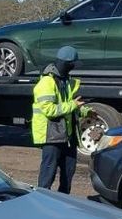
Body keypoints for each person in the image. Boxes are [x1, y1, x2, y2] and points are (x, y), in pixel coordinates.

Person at [31, 46, 89, 193]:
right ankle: (42, 200)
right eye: (73, 64)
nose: (74, 68)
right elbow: (49, 110)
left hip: (66, 136)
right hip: (51, 135)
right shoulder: (46, 83)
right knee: (48, 174)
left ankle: (63, 202)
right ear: (67, 64)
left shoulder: (66, 81)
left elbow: (70, 106)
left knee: (68, 172)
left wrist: (85, 111)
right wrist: (72, 105)